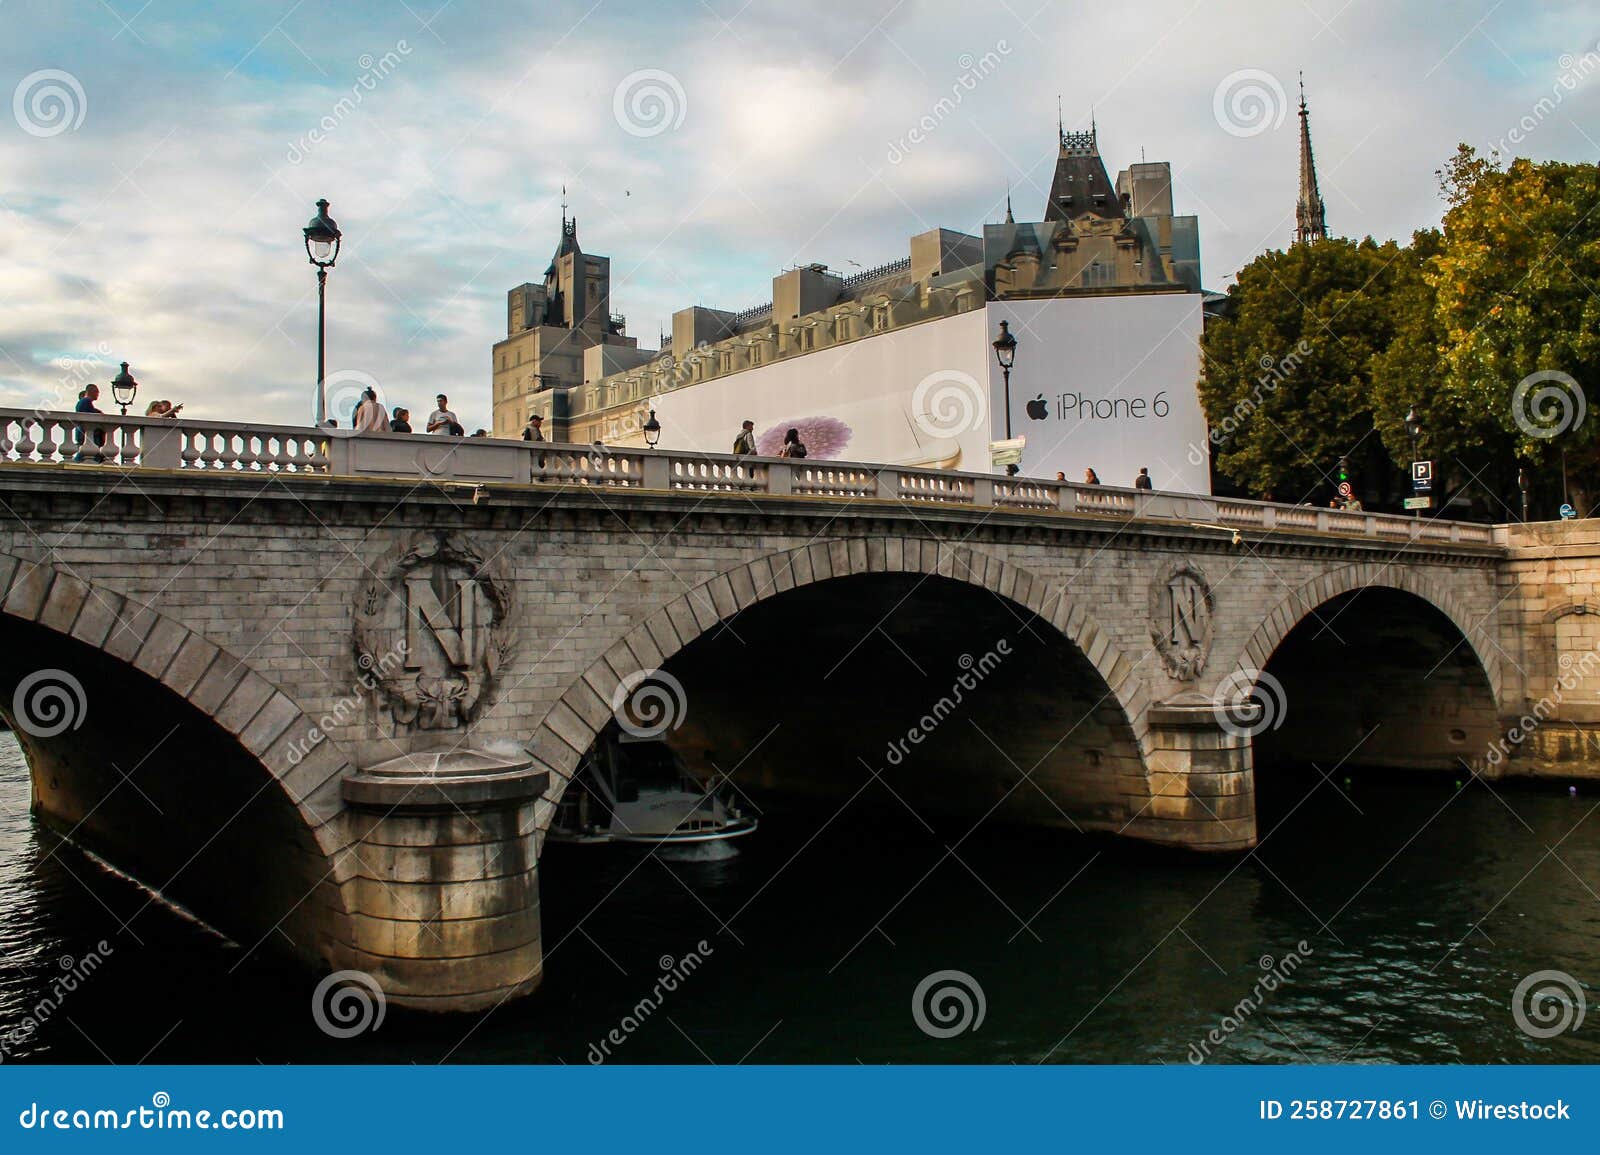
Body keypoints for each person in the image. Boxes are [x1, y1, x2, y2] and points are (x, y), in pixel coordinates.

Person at [73, 383, 106, 462]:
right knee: (88, 453)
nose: (98, 394)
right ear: (92, 391)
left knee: (90, 453)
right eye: (97, 392)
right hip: (89, 434)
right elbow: (89, 416)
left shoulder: (83, 402)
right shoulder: (86, 401)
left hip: (84, 434)